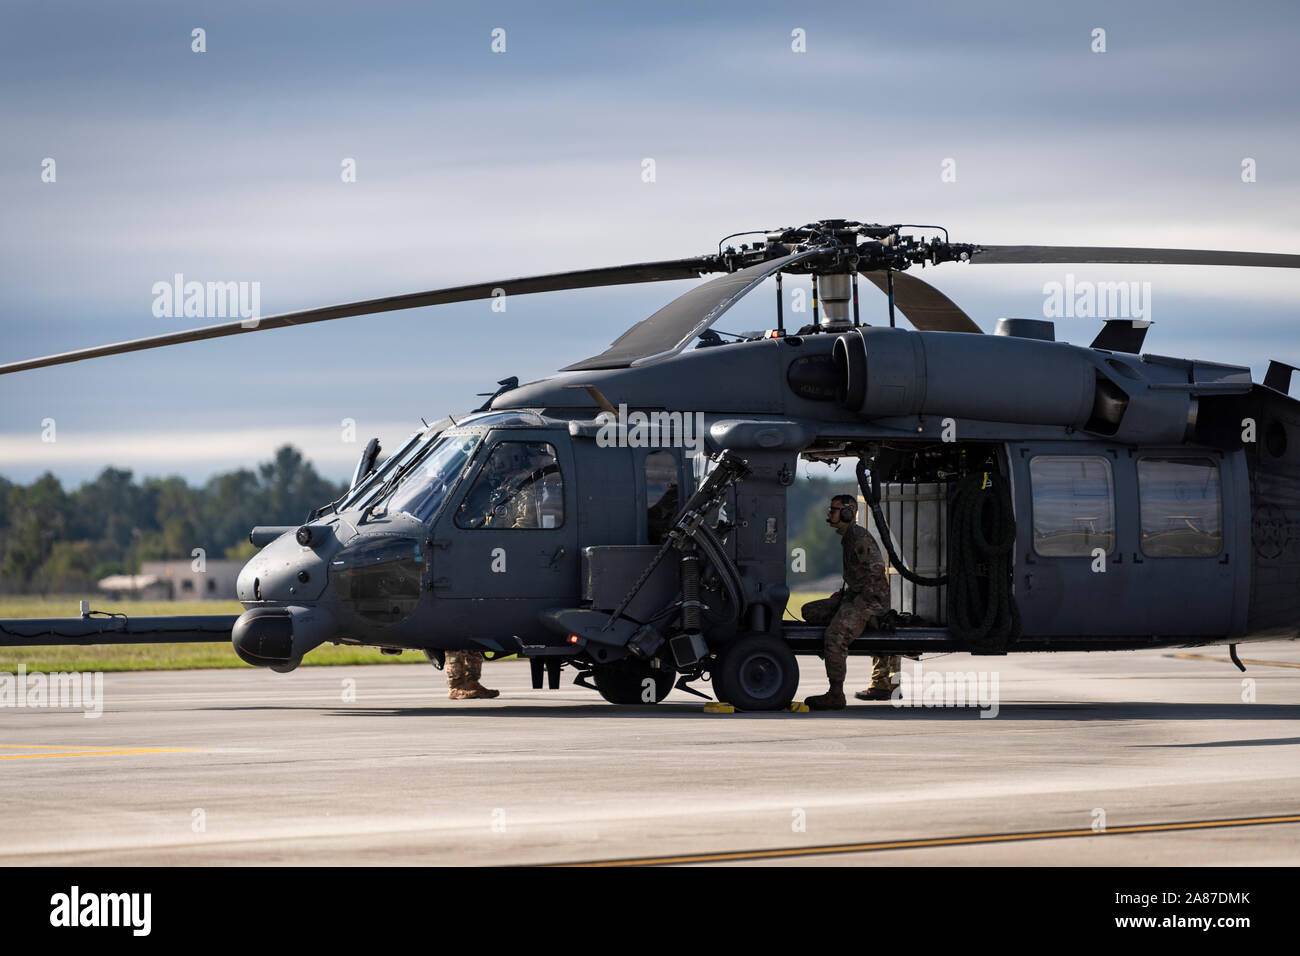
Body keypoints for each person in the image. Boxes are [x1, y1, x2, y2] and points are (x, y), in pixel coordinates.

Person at [801, 494, 890, 710]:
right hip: (856, 597)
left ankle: (835, 694)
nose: (829, 514)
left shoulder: (858, 537)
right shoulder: (848, 537)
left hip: (869, 602)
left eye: (834, 510)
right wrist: (845, 597)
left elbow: (876, 573)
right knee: (809, 611)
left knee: (834, 637)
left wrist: (859, 607)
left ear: (848, 513)